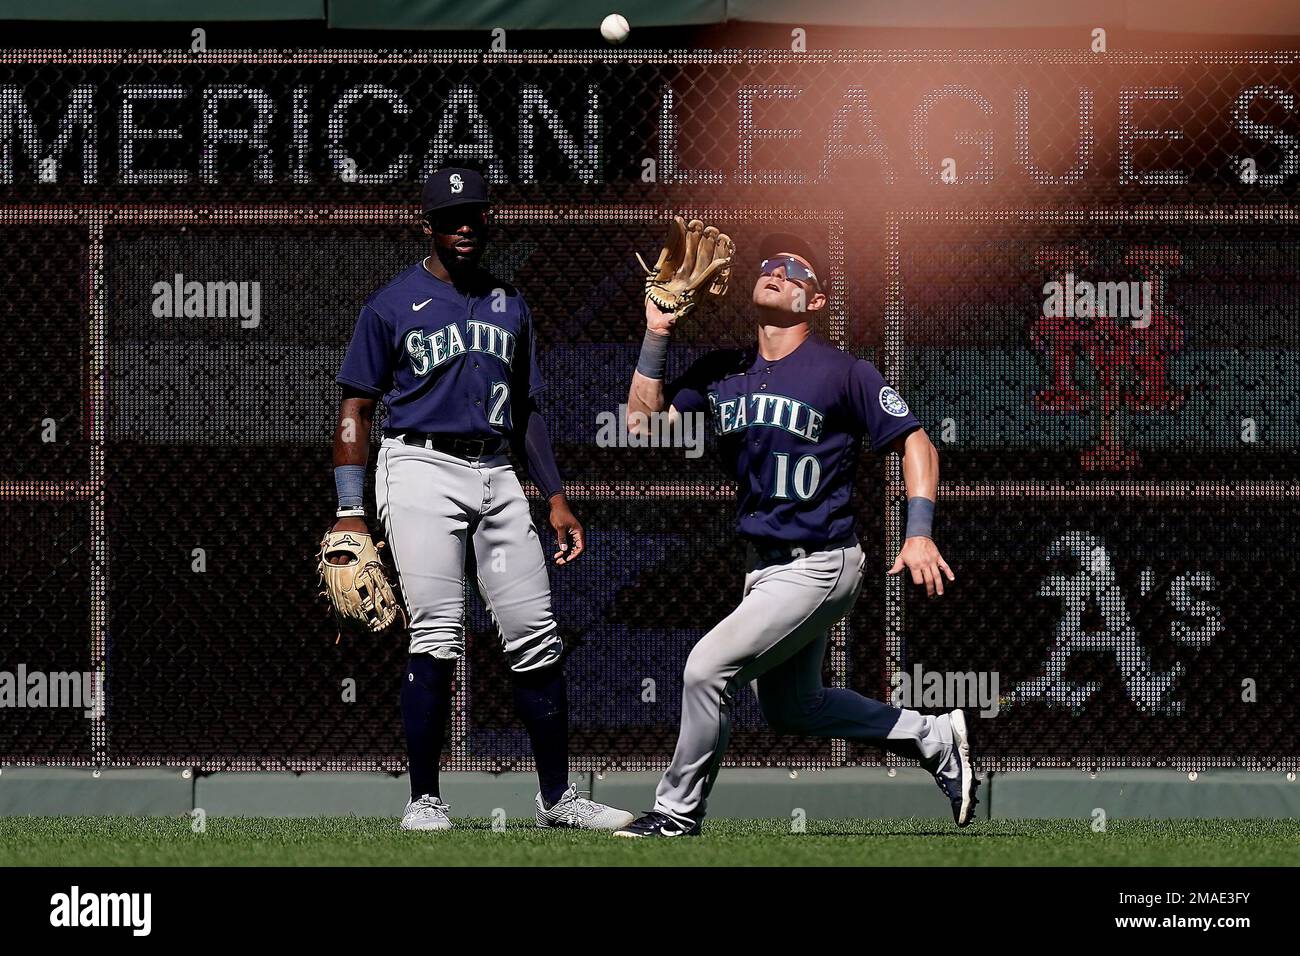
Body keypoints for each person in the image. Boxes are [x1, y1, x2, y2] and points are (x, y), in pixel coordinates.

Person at [614, 230, 976, 837]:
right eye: (767, 267)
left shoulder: (842, 372)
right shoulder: (722, 371)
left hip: (822, 560)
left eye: (793, 270)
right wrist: (658, 331)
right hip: (763, 568)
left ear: (816, 302)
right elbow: (640, 424)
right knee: (793, 708)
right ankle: (933, 735)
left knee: (706, 670)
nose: (774, 272)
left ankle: (675, 813)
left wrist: (919, 533)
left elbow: (916, 441)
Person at [330, 167, 633, 832]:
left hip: (496, 472)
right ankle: (424, 799)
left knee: (535, 635)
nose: (465, 226)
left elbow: (526, 408)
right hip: (419, 467)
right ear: (427, 224)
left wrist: (554, 496)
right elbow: (356, 406)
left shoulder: (510, 302)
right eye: (451, 216)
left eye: (474, 214)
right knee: (437, 632)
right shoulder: (390, 304)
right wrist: (350, 509)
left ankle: (559, 798)